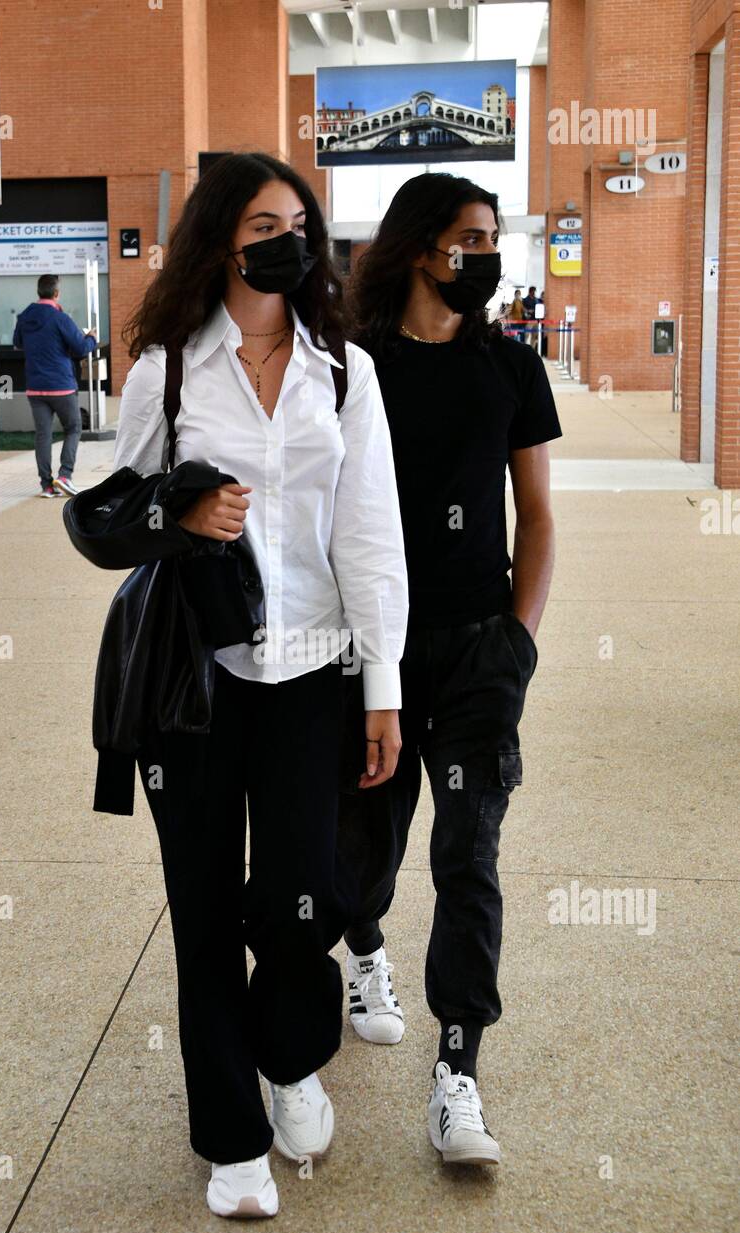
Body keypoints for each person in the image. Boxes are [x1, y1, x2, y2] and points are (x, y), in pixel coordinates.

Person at [112, 153, 408, 1217]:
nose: (283, 240)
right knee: (200, 907)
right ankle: (229, 1135)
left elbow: (369, 530)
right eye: (259, 223)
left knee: (298, 898)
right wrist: (180, 514)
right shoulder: (170, 371)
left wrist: (382, 683)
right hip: (195, 676)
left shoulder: (343, 370)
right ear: (218, 240)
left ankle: (290, 1064)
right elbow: (118, 505)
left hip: (308, 673)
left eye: (297, 222)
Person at [335, 172, 560, 1166]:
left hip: (475, 650)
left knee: (466, 854)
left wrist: (516, 638)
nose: (485, 254)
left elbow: (539, 513)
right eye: (469, 237)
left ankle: (457, 1069)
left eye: (490, 237)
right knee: (362, 856)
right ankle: (362, 948)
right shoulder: (350, 365)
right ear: (423, 246)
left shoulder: (510, 367)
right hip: (371, 653)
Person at [13, 273, 98, 497]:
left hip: (35, 386)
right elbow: (80, 348)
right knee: (73, 428)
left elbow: (18, 343)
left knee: (43, 435)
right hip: (61, 385)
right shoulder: (61, 318)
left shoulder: (24, 317)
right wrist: (92, 338)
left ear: (38, 292)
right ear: (56, 293)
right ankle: (64, 475)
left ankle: (46, 485)